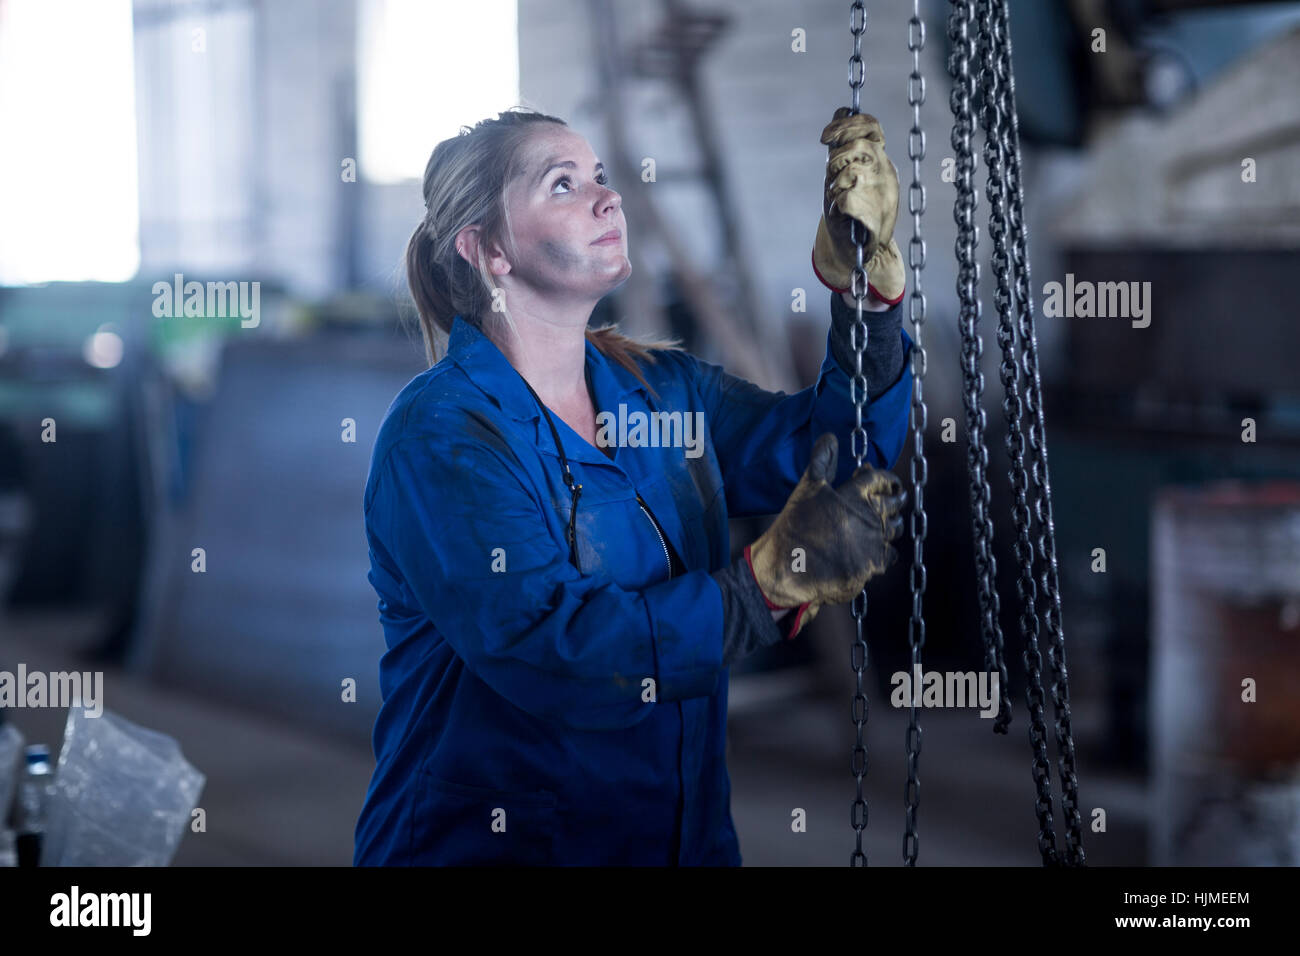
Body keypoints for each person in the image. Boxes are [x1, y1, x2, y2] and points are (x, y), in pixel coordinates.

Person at [354, 106, 915, 866]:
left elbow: (838, 452)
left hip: (677, 839)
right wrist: (764, 588)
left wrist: (866, 301)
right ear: (486, 248)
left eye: (600, 178)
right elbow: (555, 651)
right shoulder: (445, 437)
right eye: (562, 184)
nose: (607, 198)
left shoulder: (659, 393)